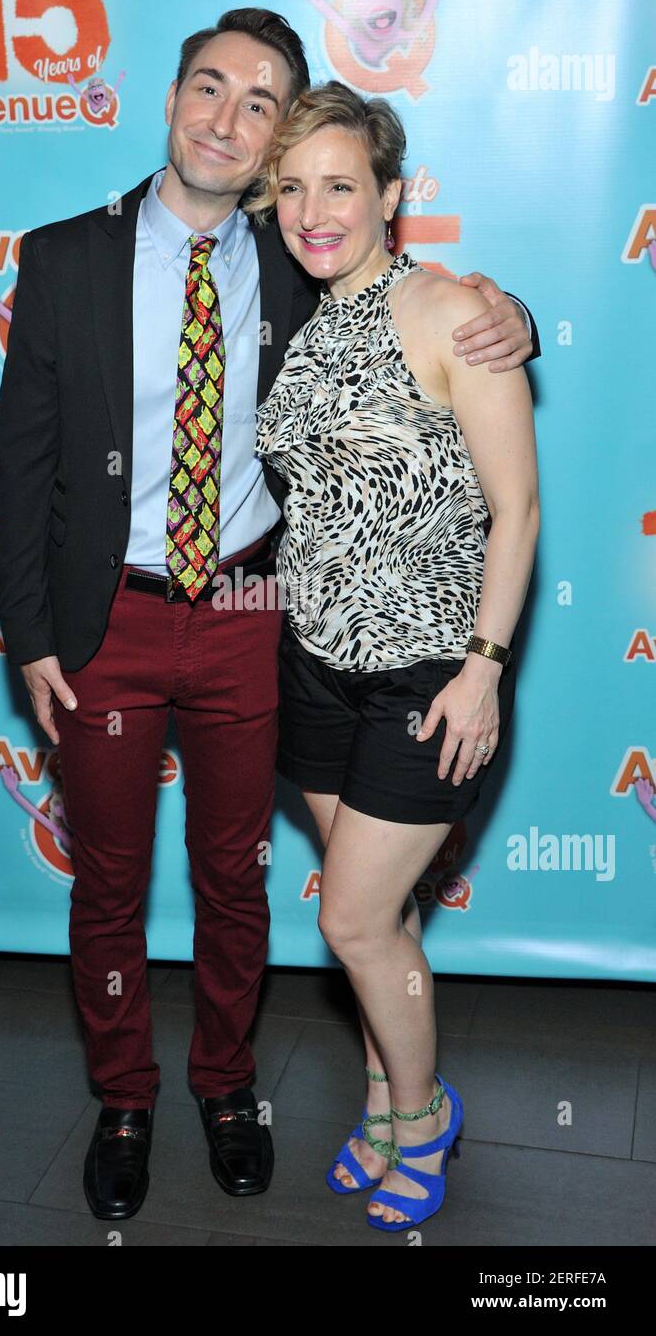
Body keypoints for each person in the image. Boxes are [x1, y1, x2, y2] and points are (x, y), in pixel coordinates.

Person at [0, 10, 540, 1222]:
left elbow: (430, 315)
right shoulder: (62, 258)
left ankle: (228, 1088)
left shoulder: (297, 254)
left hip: (254, 611)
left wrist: (514, 317)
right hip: (108, 626)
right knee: (110, 886)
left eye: (260, 103)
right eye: (210, 87)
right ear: (172, 98)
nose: (228, 118)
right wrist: (29, 632)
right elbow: (19, 464)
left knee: (241, 878)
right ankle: (125, 1097)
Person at [248, 80, 539, 1232]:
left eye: (339, 184)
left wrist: (484, 665)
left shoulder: (453, 311)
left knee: (353, 920)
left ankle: (425, 1119)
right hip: (312, 663)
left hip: (428, 673)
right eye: (292, 188)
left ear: (390, 194)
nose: (315, 209)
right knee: (383, 925)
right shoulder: (305, 316)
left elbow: (514, 510)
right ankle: (381, 1099)